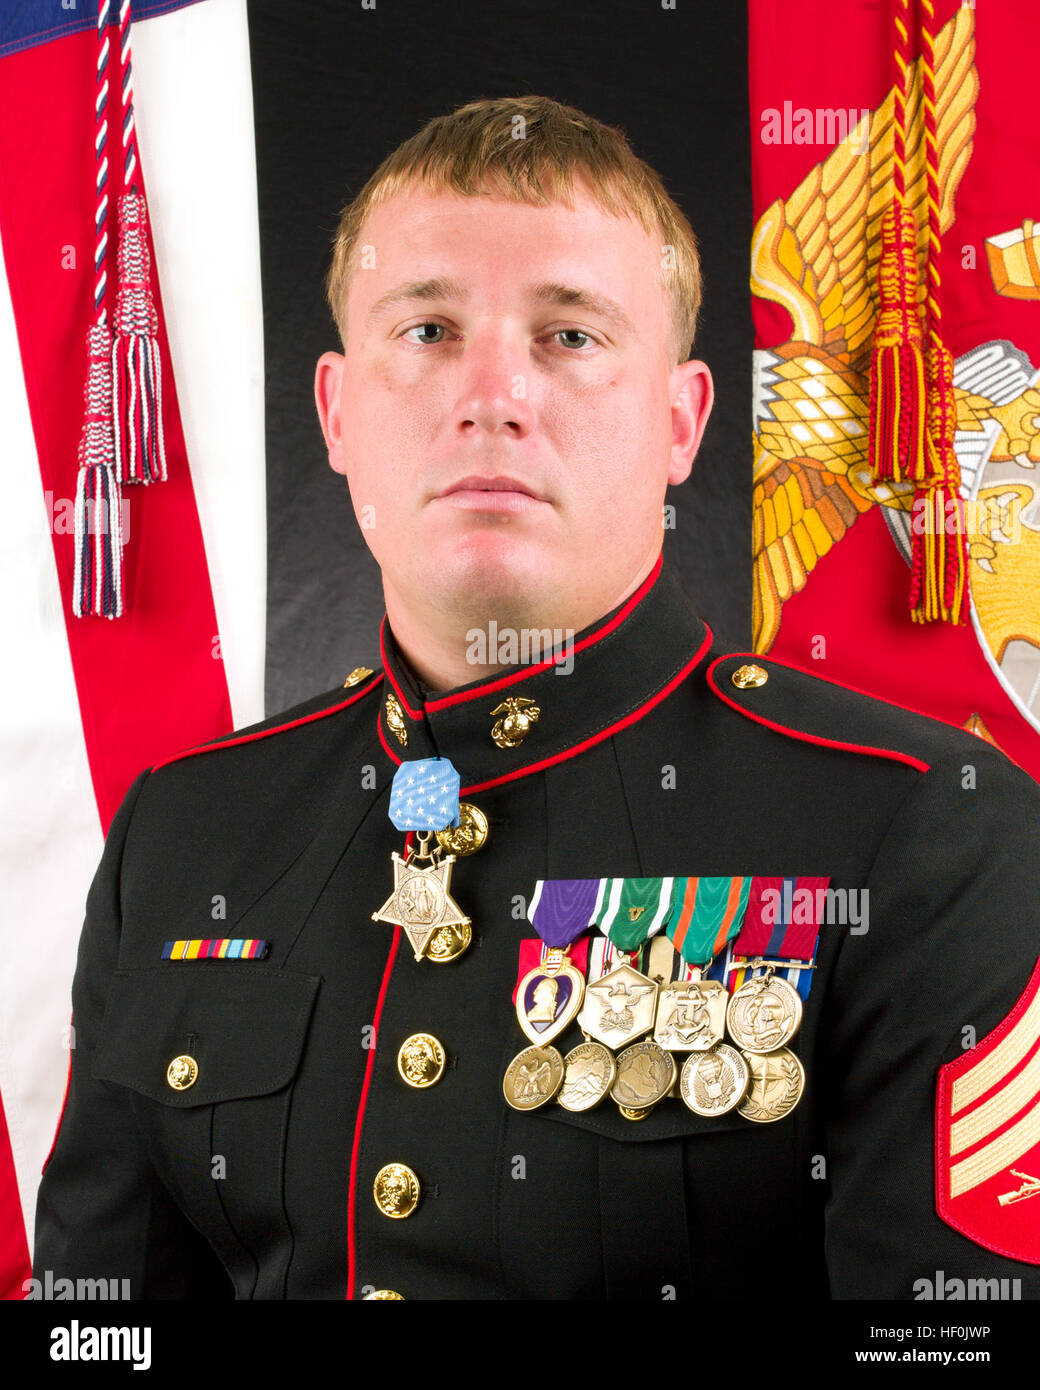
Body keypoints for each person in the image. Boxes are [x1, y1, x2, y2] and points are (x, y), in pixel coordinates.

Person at [33, 95, 1040, 1300]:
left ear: (681, 423)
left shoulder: (928, 831)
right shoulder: (185, 829)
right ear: (337, 414)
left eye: (568, 335)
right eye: (426, 329)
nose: (492, 393)